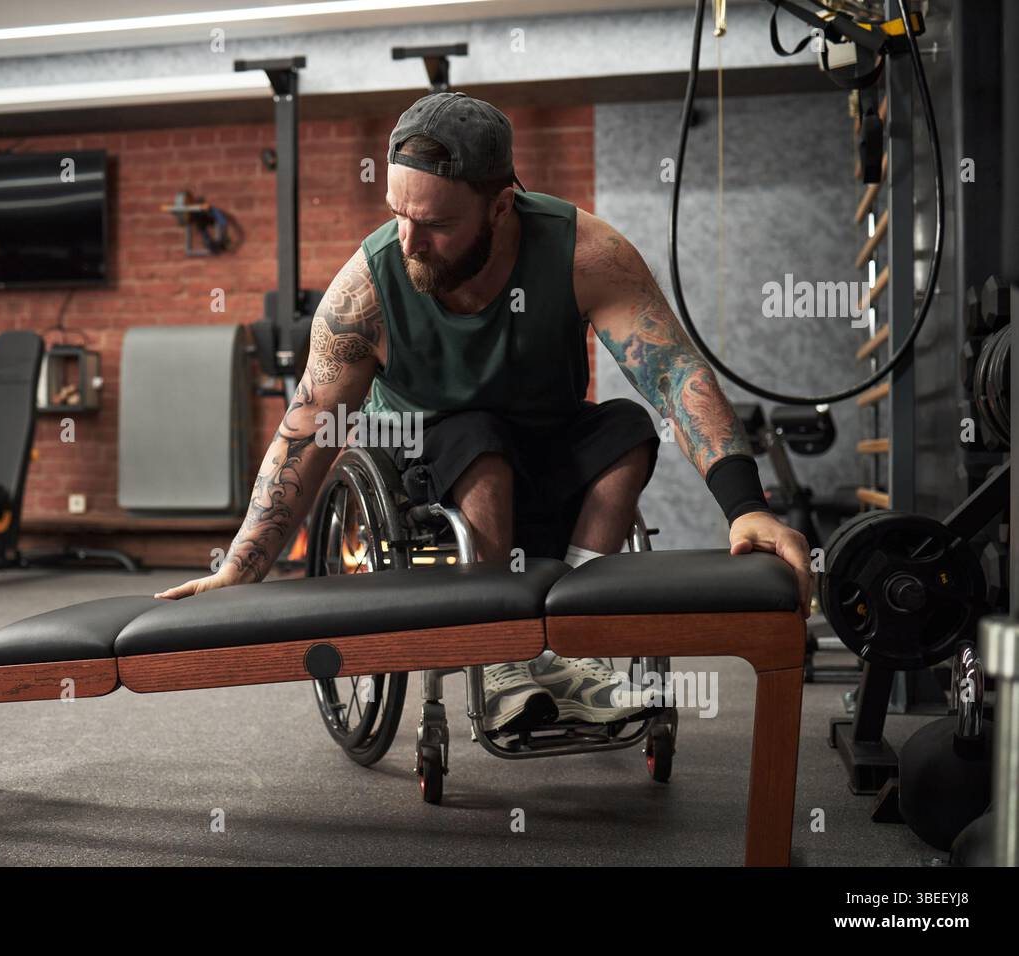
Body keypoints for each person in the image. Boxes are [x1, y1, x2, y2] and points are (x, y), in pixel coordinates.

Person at [158, 92, 811, 732]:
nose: (409, 241)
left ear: (501, 206)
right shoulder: (367, 288)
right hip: (423, 448)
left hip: (543, 435)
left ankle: (570, 642)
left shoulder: (584, 253)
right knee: (478, 438)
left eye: (437, 225)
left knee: (627, 429)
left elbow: (673, 374)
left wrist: (745, 506)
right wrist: (241, 566)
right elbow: (308, 428)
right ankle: (501, 654)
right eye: (398, 215)